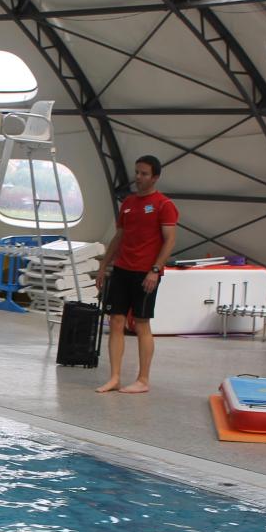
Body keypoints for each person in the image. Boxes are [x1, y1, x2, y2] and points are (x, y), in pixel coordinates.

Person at [94, 155, 178, 395]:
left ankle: (143, 379)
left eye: (143, 174)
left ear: (155, 177)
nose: (138, 178)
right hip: (122, 269)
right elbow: (119, 237)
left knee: (141, 323)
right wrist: (104, 266)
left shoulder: (163, 205)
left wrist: (155, 270)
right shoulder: (129, 203)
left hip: (145, 273)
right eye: (137, 172)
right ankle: (115, 377)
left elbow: (169, 240)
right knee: (116, 320)